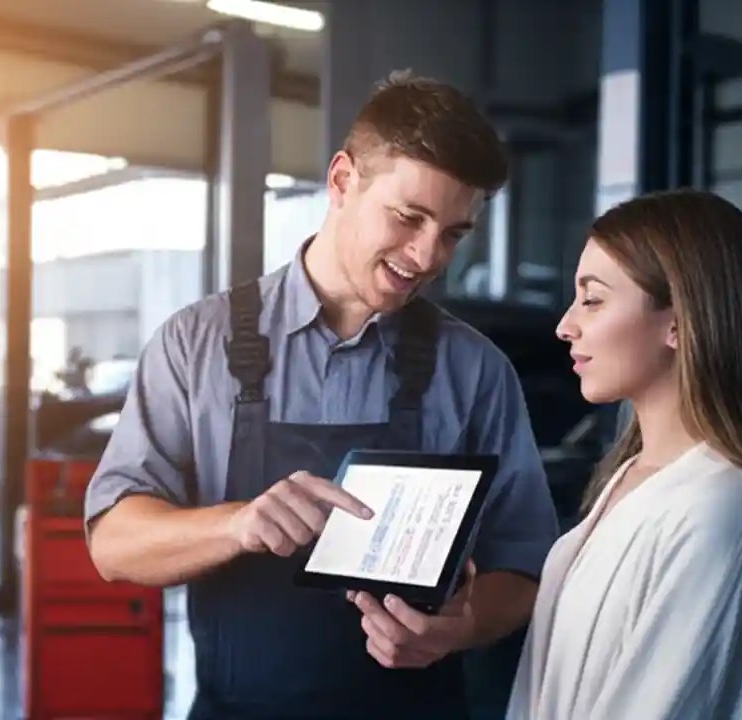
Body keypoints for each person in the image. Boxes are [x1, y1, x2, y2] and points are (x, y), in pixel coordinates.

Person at [84, 71, 559, 719]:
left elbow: (523, 566)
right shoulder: (197, 345)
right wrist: (237, 523)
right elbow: (113, 544)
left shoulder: (474, 371)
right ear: (341, 181)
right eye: (408, 217)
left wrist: (462, 626)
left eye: (453, 232)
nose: (426, 256)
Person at [507, 189, 742, 719]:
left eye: (593, 299)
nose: (565, 325)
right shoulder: (634, 477)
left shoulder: (719, 517)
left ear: (678, 322)